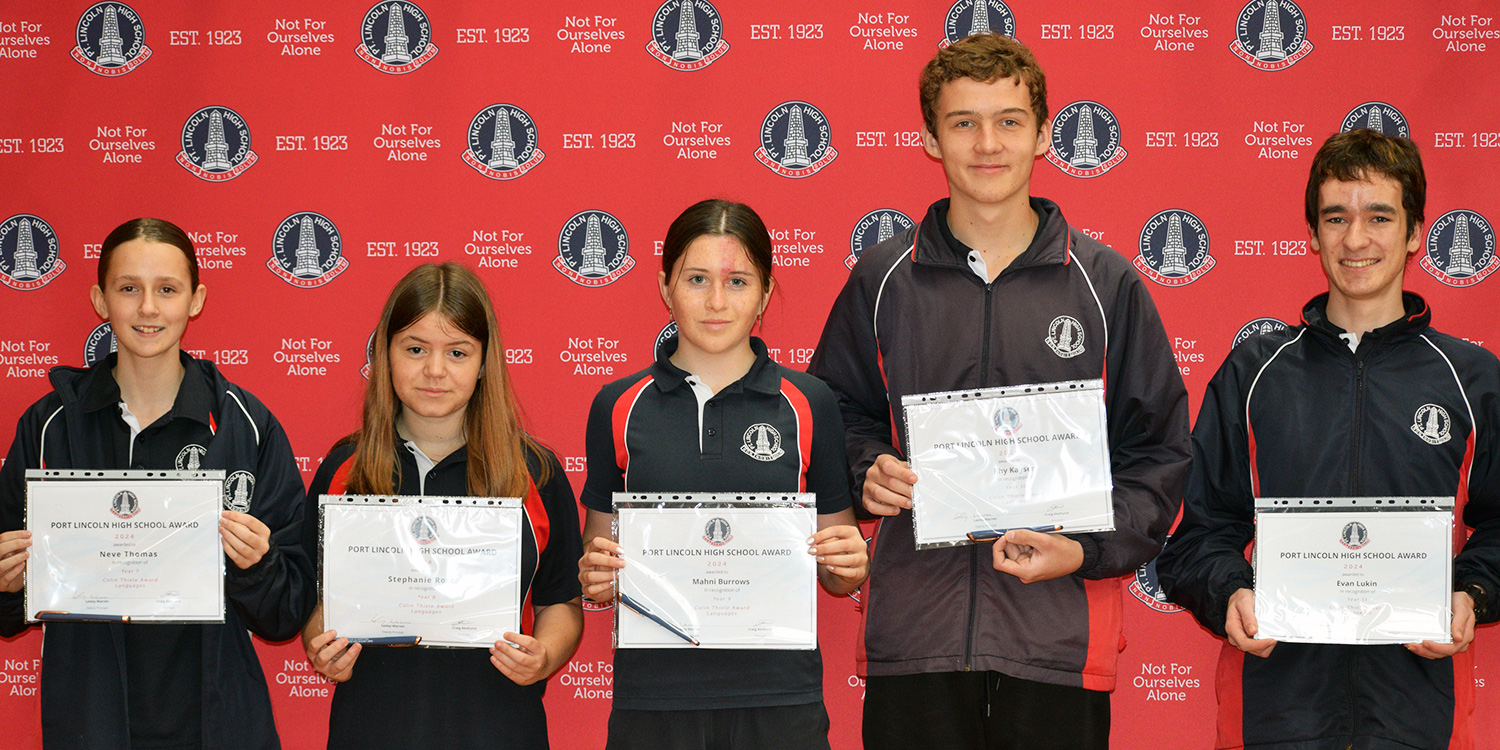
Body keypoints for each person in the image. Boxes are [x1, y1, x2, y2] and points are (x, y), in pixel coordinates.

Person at [806, 34, 1191, 749]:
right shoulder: (882, 280)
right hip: (916, 637)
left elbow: (1160, 456)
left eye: (1010, 121)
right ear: (929, 138)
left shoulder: (1106, 285)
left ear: (1044, 134)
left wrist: (1084, 549)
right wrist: (866, 470)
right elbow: (831, 419)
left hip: (1056, 640)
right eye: (964, 122)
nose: (988, 143)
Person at [1155, 130, 1500, 748]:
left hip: (1421, 715)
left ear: (1416, 232)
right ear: (1312, 235)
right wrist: (1229, 591)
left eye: (1379, 217)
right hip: (1274, 714)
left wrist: (1471, 593)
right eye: (1335, 217)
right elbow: (1198, 536)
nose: (1356, 239)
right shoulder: (1253, 373)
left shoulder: (1473, 380)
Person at [0, 217, 312, 749]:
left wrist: (257, 566)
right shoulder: (49, 427)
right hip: (88, 722)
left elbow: (286, 613)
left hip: (219, 724)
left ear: (196, 299)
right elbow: (9, 608)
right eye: (129, 289)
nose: (148, 308)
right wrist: (7, 584)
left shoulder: (245, 426)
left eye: (167, 289)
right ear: (100, 300)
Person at [577, 199, 869, 750]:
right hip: (654, 699)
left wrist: (850, 563)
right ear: (665, 287)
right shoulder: (617, 404)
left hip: (780, 698)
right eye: (696, 279)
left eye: (737, 281)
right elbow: (599, 554)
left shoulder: (810, 402)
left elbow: (838, 568)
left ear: (764, 291)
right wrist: (598, 574)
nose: (716, 302)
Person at [299, 262, 582, 749]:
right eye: (414, 349)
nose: (434, 370)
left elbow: (562, 602)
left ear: (484, 361)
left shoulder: (534, 472)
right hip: (371, 727)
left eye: (457, 352)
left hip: (498, 727)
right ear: (385, 354)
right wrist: (318, 644)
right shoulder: (344, 469)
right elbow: (313, 595)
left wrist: (545, 656)